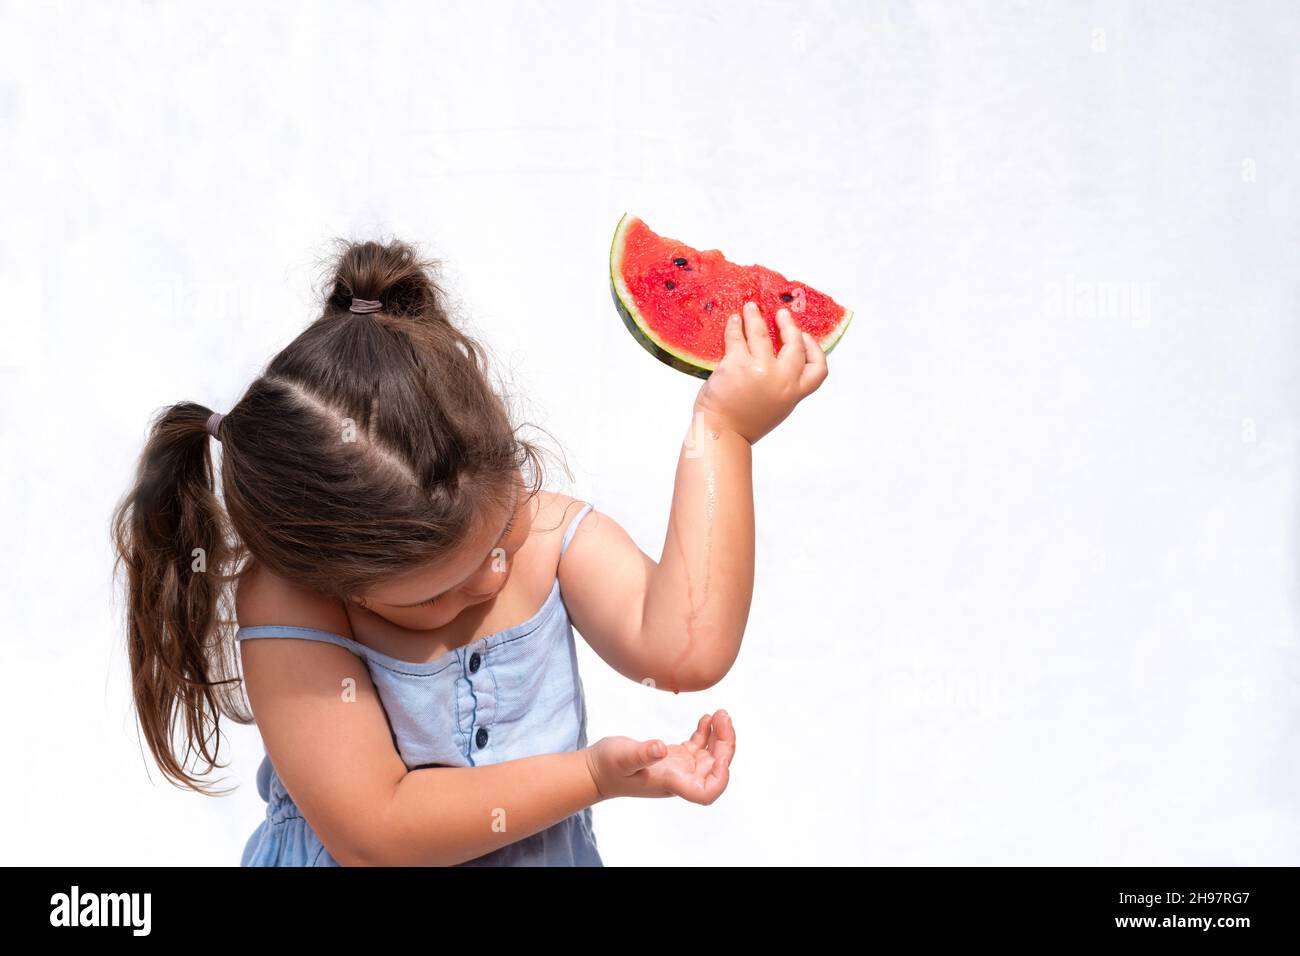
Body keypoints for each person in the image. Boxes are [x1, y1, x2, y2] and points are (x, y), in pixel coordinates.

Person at [110, 236, 829, 865]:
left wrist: (724, 434)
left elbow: (685, 649)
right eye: (431, 593)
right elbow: (377, 832)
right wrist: (590, 777)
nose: (489, 579)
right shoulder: (289, 598)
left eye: (499, 533)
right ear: (327, 577)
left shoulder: (547, 539)